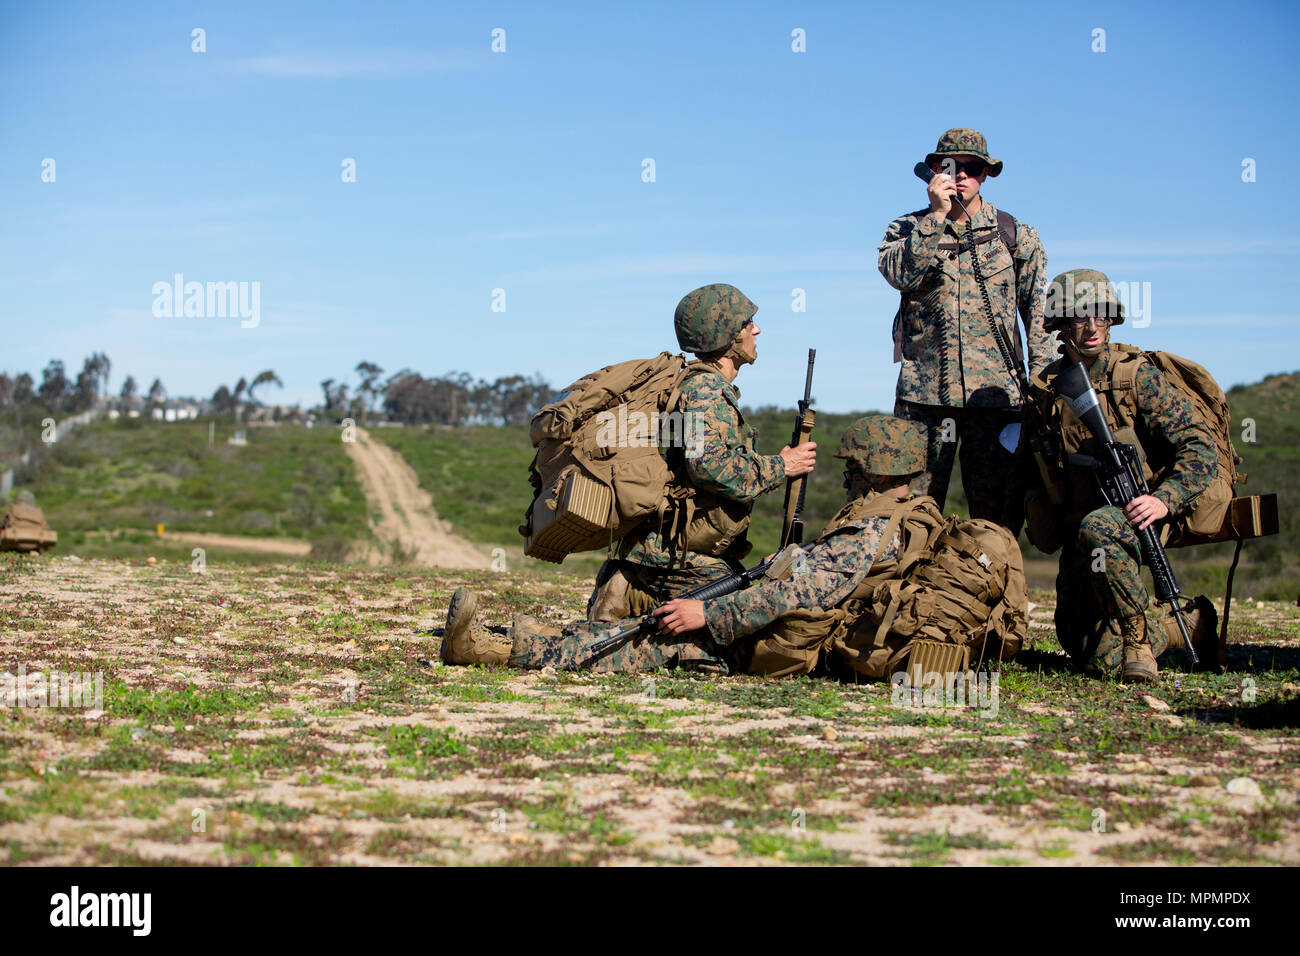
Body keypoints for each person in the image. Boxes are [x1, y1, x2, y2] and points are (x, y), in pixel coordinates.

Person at [438, 415, 961, 676]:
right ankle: (635, 593)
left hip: (785, 642)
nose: (847, 481)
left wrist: (705, 617)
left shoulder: (870, 532)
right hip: (782, 616)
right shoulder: (910, 514)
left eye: (852, 471)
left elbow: (796, 597)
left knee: (641, 646)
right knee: (668, 572)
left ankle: (492, 648)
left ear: (875, 470)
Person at [1018, 269, 1216, 683]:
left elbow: (1199, 446)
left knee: (1100, 527)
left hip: (1140, 515)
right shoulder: (1046, 390)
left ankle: (1140, 642)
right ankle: (1188, 624)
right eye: (1079, 316)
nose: (1092, 327)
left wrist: (1166, 498)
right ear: (1060, 323)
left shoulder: (1134, 376)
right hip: (1081, 529)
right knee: (1087, 651)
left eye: (1101, 316)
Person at [585, 283, 816, 621]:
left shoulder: (698, 386)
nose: (757, 329)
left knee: (754, 594)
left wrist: (775, 464)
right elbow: (709, 467)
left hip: (671, 547)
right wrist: (782, 466)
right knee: (751, 614)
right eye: (747, 323)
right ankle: (634, 593)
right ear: (727, 336)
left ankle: (636, 584)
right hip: (668, 553)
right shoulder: (706, 390)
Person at [878, 127, 1053, 534]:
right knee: (911, 513)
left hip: (995, 399)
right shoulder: (905, 229)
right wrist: (936, 217)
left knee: (997, 516)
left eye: (972, 168)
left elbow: (1037, 314)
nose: (961, 176)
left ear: (986, 175)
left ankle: (997, 592)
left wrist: (1042, 386)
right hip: (924, 399)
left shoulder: (1017, 235)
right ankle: (913, 594)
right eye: (950, 166)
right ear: (933, 171)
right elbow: (898, 274)